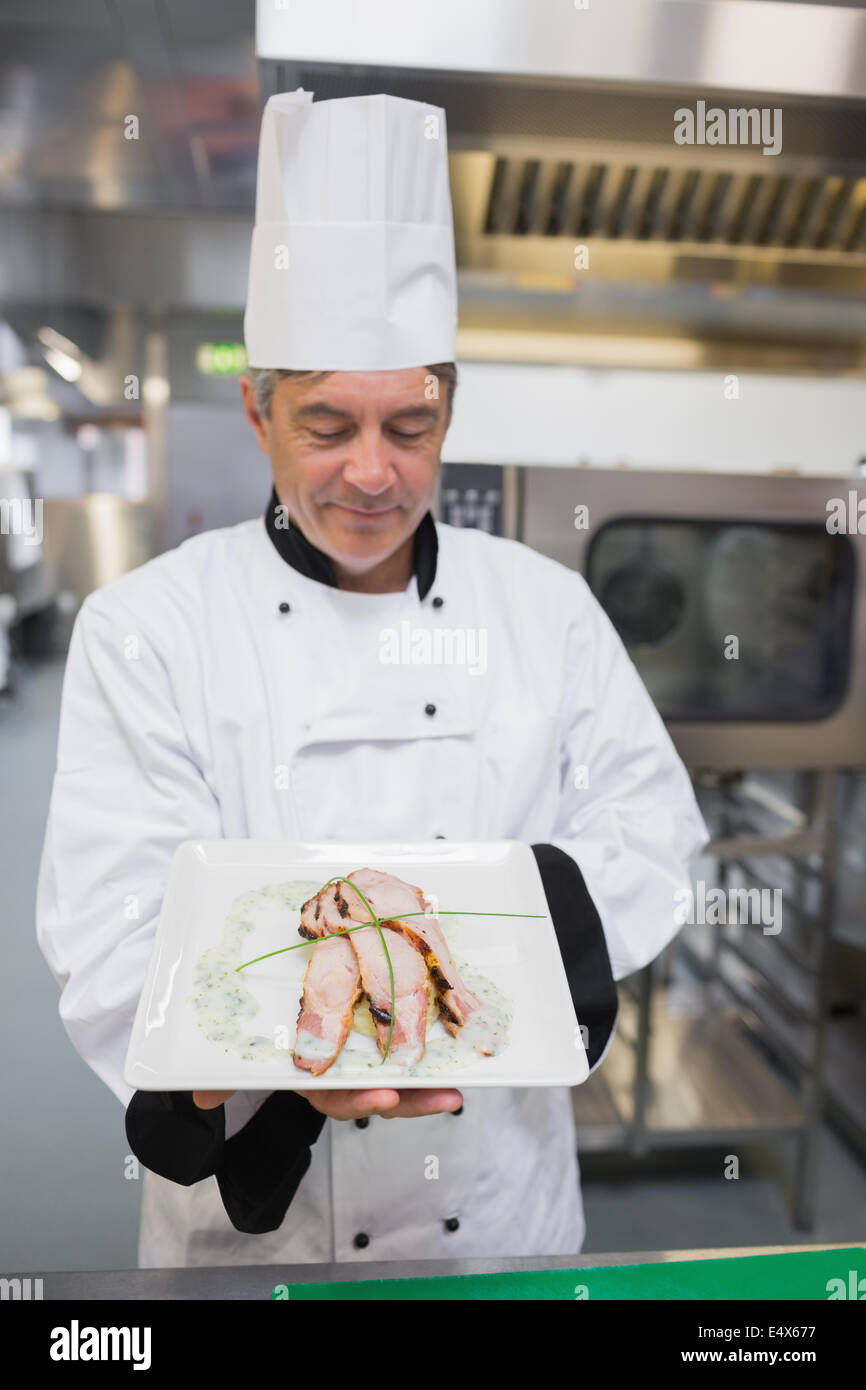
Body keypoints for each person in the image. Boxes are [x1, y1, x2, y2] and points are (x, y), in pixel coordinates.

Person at [36, 89, 708, 1268]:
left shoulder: (542, 609)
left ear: (449, 407)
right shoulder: (148, 624)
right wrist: (300, 1057)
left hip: (491, 1205)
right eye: (326, 422)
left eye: (409, 424)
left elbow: (649, 827)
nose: (369, 472)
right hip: (253, 1242)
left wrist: (520, 912)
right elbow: (112, 923)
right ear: (257, 409)